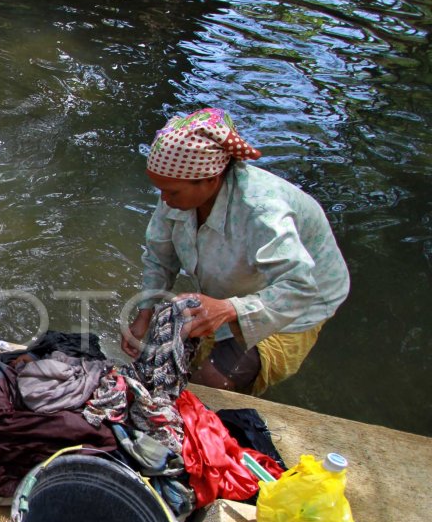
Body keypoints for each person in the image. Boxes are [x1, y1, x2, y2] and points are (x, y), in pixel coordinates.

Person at [120, 108, 350, 395]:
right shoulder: (176, 194)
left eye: (173, 192)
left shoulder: (262, 212)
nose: (164, 200)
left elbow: (300, 287)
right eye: (160, 190)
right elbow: (159, 256)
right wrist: (145, 312)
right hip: (239, 287)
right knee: (168, 366)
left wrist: (230, 308)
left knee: (213, 382)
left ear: (210, 181)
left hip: (297, 302)